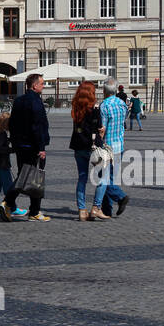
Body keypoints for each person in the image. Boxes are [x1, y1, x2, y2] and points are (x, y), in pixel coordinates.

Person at [0, 73, 51, 221]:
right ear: (34, 85)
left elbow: (13, 124)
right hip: (32, 145)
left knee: (30, 176)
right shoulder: (36, 102)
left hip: (20, 145)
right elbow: (37, 127)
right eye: (42, 83)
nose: (43, 86)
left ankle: (34, 210)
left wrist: (15, 142)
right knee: (29, 176)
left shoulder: (19, 100)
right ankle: (8, 202)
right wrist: (41, 147)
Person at [68, 81, 106, 221]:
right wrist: (102, 132)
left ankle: (82, 210)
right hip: (93, 147)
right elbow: (98, 127)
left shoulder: (76, 106)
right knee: (103, 177)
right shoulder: (95, 107)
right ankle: (96, 207)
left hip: (78, 146)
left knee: (82, 178)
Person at [95, 77, 130, 217]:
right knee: (111, 177)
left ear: (104, 90)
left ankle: (121, 197)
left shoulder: (104, 106)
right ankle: (107, 210)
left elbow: (102, 128)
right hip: (119, 145)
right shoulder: (122, 103)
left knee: (102, 178)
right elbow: (123, 122)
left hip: (107, 147)